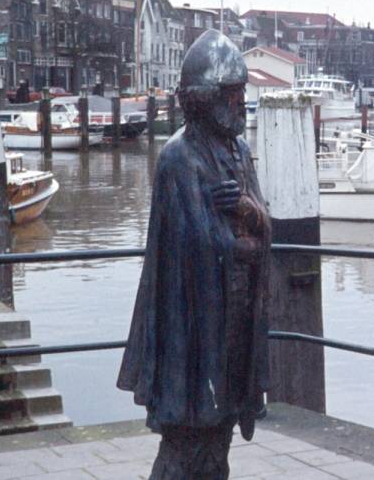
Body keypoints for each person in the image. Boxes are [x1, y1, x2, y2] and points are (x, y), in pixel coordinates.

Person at [118, 30, 270, 479]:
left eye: (242, 92)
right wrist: (241, 240)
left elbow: (263, 226)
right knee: (186, 443)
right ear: (206, 98)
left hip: (235, 321)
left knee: (219, 437)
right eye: (233, 93)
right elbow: (201, 245)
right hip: (195, 330)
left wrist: (246, 212)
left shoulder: (239, 151)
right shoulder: (178, 158)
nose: (241, 102)